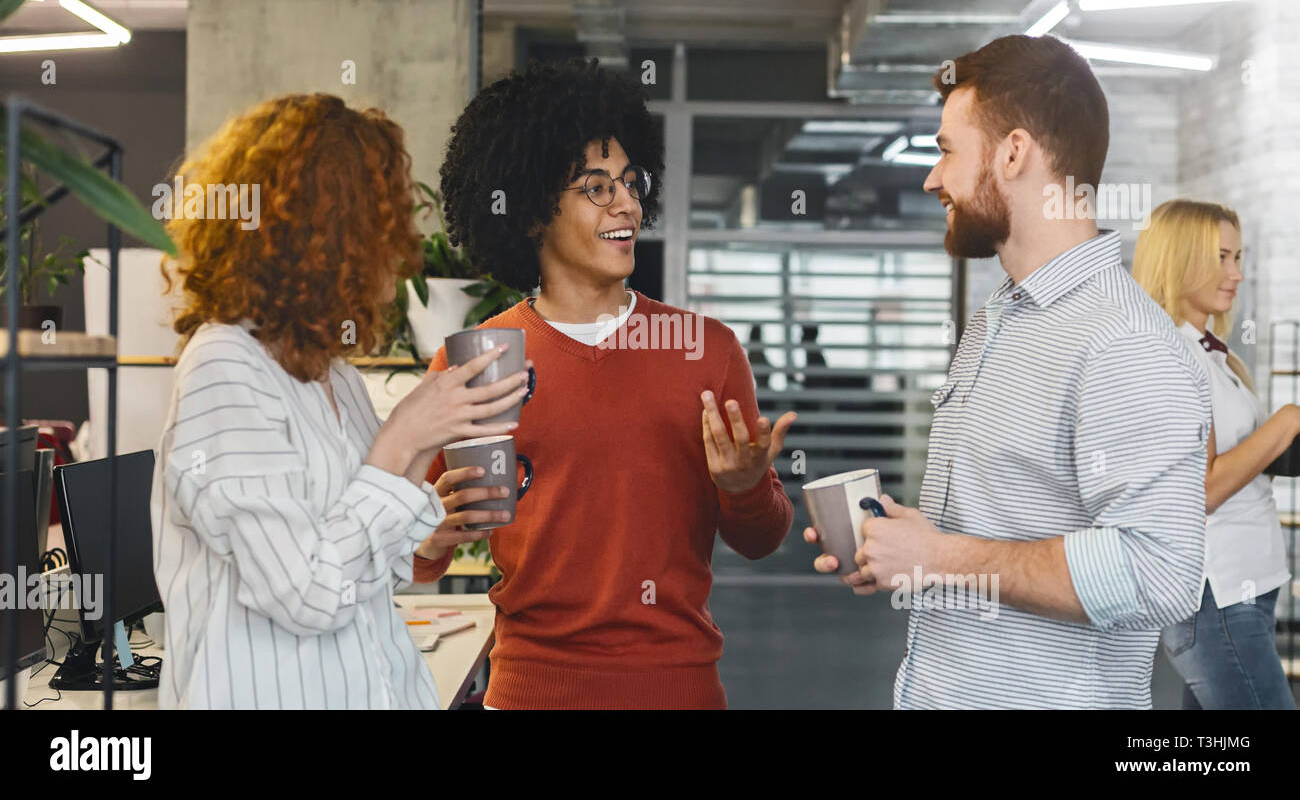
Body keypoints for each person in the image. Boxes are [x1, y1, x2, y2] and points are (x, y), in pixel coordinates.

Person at [806, 35, 1211, 708]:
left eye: (946, 149)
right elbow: (993, 533)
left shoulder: (1121, 340)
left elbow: (1160, 571)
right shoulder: (1000, 318)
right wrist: (906, 543)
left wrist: (940, 557)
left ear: (1013, 152)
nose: (933, 178)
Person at [411, 58, 797, 709]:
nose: (626, 203)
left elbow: (763, 538)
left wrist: (744, 487)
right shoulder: (471, 363)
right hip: (527, 692)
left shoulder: (708, 352)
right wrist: (431, 535)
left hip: (678, 691)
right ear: (533, 210)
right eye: (596, 187)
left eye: (631, 180)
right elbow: (414, 559)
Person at [151, 93, 530, 708]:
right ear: (326, 240)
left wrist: (429, 514)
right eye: (380, 230)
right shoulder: (225, 369)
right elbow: (309, 593)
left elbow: (366, 558)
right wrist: (404, 437)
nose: (398, 253)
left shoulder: (332, 373)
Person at [1132, 199, 1297, 709]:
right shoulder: (1171, 357)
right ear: (1179, 259)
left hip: (1240, 596)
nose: (1238, 274)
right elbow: (1197, 491)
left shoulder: (1208, 354)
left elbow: (1238, 460)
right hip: (1217, 599)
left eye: (1239, 257)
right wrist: (1286, 422)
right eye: (1223, 257)